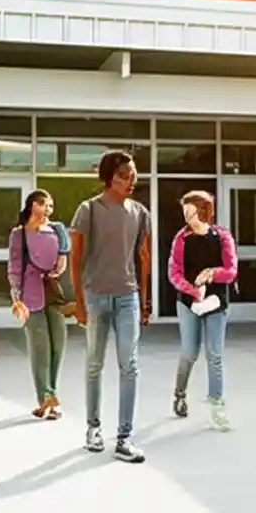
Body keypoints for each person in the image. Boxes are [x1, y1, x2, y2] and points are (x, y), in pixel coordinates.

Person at [70, 150, 153, 463]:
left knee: (129, 365)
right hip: (96, 296)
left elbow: (143, 258)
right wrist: (79, 302)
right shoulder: (88, 210)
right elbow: (75, 259)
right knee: (94, 364)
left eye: (133, 175)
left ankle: (124, 437)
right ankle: (93, 428)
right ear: (108, 178)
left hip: (127, 297)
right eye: (124, 175)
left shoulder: (140, 213)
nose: (131, 180)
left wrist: (144, 300)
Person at [167, 190, 238, 431]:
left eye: (190, 208)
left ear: (202, 210)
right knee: (189, 352)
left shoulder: (222, 237)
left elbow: (231, 270)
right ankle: (180, 394)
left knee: (214, 355)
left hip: (216, 303)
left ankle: (217, 408)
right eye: (184, 208)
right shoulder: (181, 239)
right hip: (188, 302)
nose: (186, 213)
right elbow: (173, 273)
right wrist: (193, 291)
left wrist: (212, 273)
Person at [7, 189, 72, 420]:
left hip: (53, 293)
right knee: (40, 349)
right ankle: (47, 399)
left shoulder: (57, 230)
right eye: (46, 205)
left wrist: (60, 265)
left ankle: (50, 395)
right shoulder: (19, 234)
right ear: (34, 205)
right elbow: (15, 267)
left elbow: (64, 254)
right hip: (30, 295)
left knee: (58, 346)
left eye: (51, 207)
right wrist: (16, 298)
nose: (49, 211)